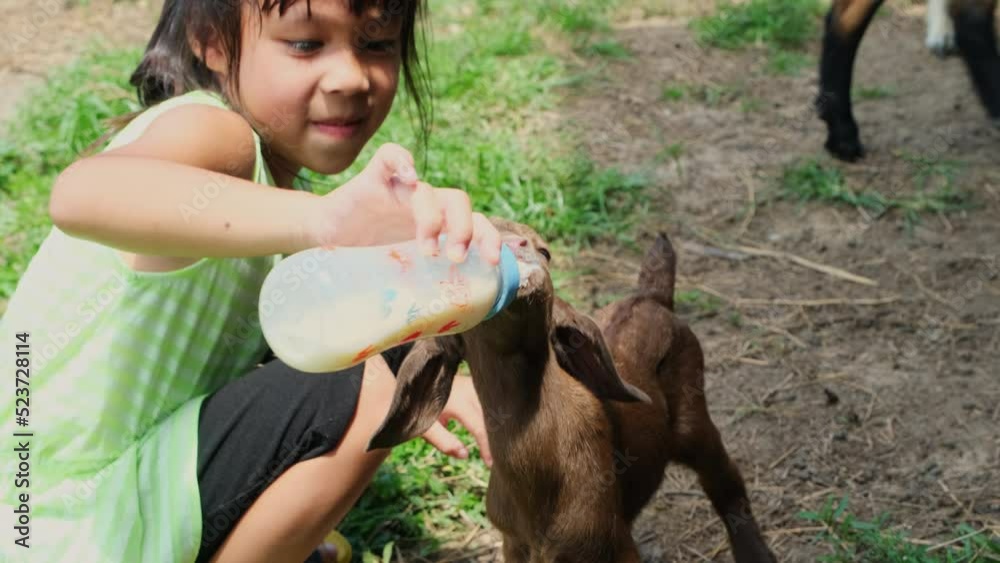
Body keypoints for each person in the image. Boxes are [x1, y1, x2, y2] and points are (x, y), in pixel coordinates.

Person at [0, 1, 499, 562]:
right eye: (306, 44)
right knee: (370, 386)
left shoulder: (266, 208)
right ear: (211, 40)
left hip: (49, 510)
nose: (351, 76)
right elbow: (81, 194)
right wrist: (323, 222)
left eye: (377, 43)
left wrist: (436, 372)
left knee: (368, 354)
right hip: (53, 526)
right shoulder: (213, 133)